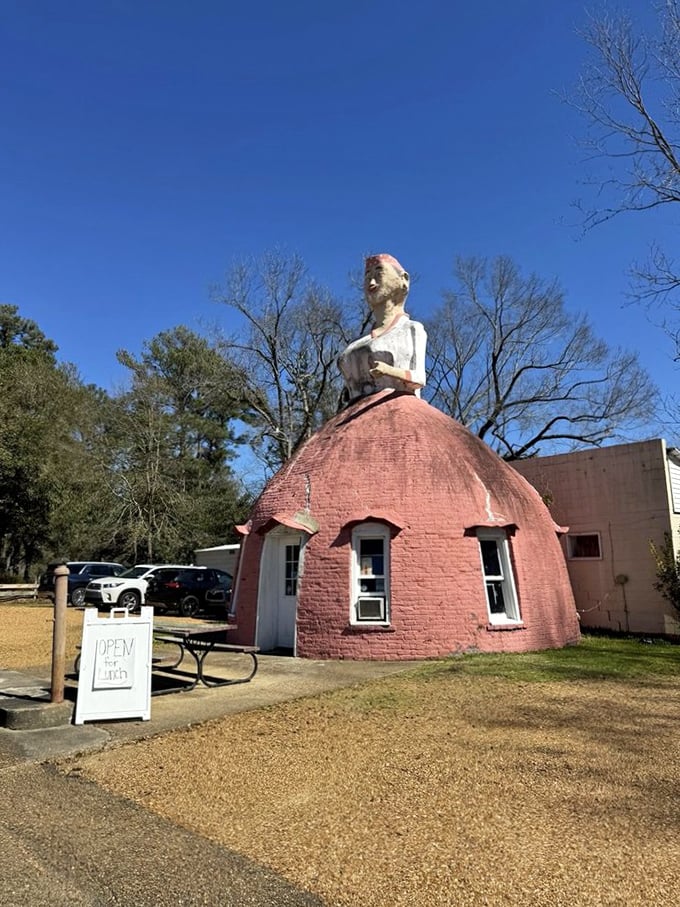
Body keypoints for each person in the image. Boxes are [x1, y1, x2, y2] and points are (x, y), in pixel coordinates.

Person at [338, 253, 427, 403]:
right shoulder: (356, 344)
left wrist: (389, 371)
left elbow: (419, 378)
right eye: (367, 276)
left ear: (403, 280)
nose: (371, 282)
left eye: (379, 273)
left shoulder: (412, 329)